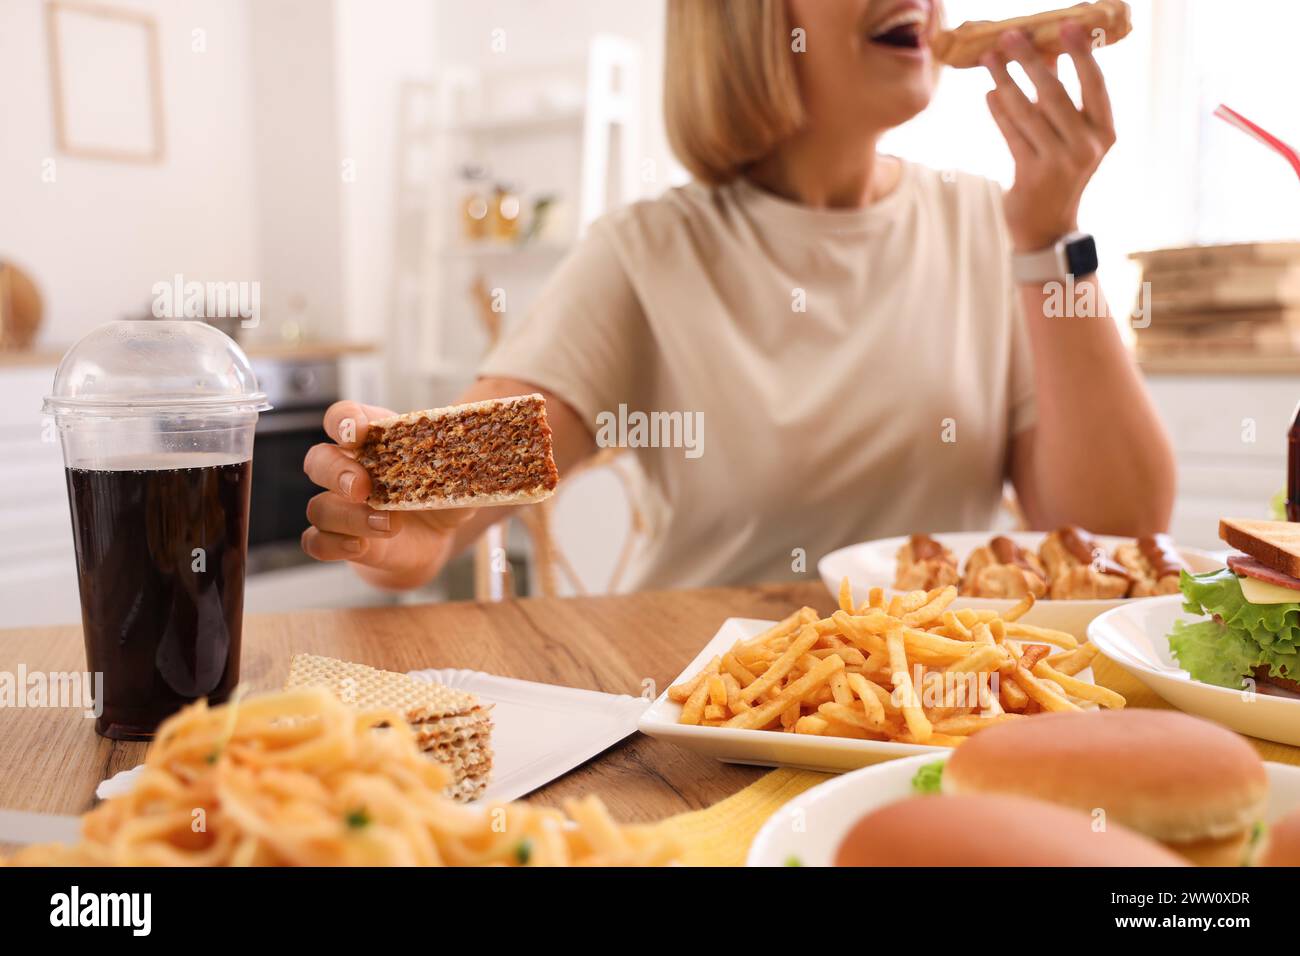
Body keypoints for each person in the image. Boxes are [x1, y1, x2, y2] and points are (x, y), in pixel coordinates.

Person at [301, 0, 1175, 592]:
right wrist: (411, 504)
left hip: (933, 709)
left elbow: (1114, 528)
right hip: (709, 712)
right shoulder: (651, 248)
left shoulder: (1000, 228)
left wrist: (1053, 237)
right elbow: (505, 439)